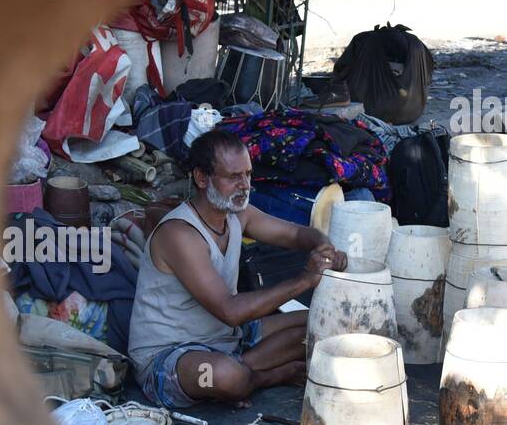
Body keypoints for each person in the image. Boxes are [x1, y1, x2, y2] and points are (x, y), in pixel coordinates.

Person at [127, 130, 348, 408]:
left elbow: (294, 234)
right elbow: (230, 311)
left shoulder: (238, 214)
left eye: (248, 175)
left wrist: (323, 245)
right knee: (223, 376)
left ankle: (246, 372)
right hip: (169, 358)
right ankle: (260, 377)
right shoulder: (179, 234)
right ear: (201, 178)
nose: (245, 186)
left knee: (327, 323)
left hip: (228, 339)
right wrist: (304, 280)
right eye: (234, 177)